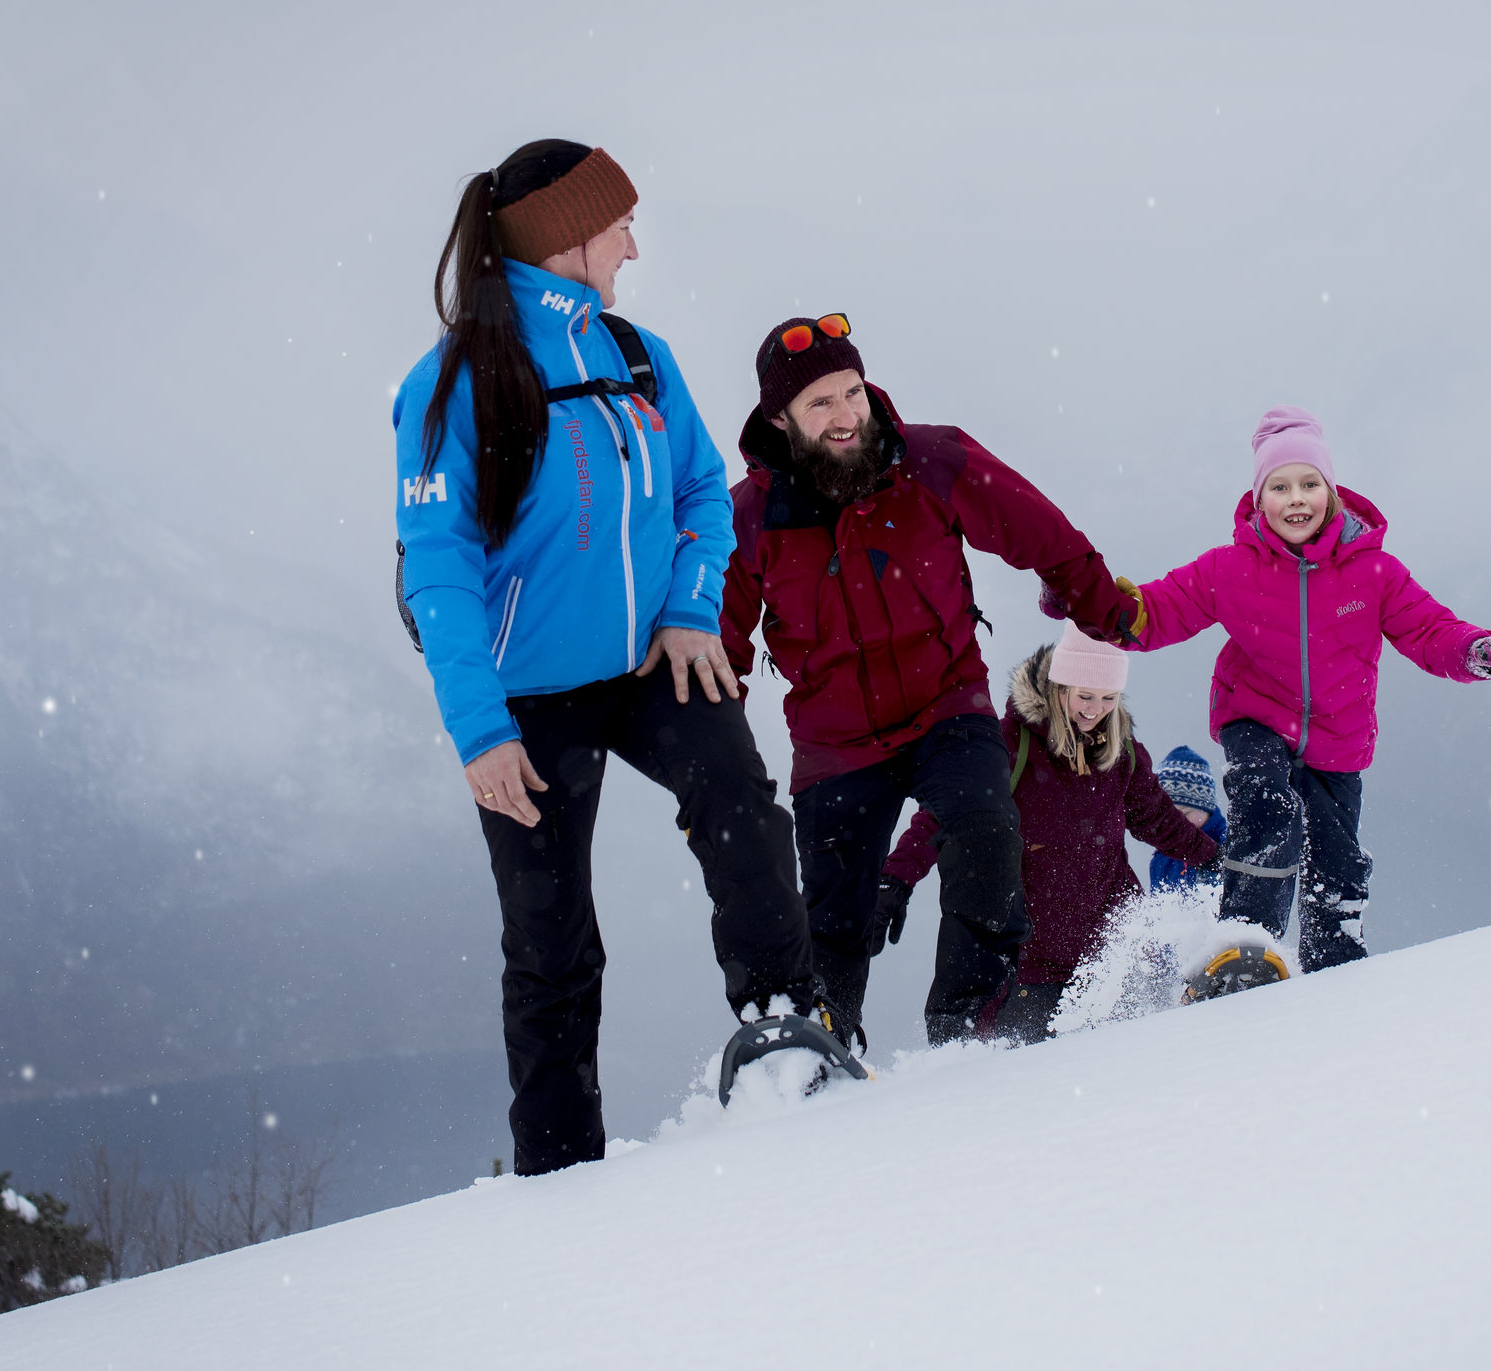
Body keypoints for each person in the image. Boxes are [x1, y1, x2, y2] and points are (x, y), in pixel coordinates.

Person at [393, 140, 825, 1176]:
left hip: (648, 667)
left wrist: (689, 611)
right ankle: (559, 1171)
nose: (633, 243)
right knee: (548, 940)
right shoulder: (453, 382)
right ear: (568, 235)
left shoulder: (636, 355)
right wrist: (480, 731)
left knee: (741, 809)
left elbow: (701, 495)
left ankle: (782, 1036)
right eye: (619, 223)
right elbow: (436, 569)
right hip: (526, 702)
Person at [719, 315, 1148, 1048]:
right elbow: (716, 644)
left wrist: (1106, 609)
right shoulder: (752, 516)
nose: (845, 414)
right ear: (779, 418)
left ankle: (969, 1023)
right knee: (834, 912)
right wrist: (713, 760)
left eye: (851, 391)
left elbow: (1043, 535)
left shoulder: (930, 460)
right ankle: (822, 1044)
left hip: (947, 701)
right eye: (819, 403)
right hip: (834, 739)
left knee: (987, 829)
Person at [1091, 406, 1491, 970]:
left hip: (1338, 738)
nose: (1296, 498)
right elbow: (1158, 610)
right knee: (1269, 809)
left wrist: (1474, 649)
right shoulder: (1231, 568)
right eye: (1280, 486)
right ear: (1259, 501)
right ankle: (1244, 941)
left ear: (1331, 492)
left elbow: (1428, 629)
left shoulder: (1375, 573)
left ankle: (1336, 964)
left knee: (1337, 859)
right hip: (1254, 715)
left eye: (1309, 484)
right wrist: (1096, 606)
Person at [868, 626, 1221, 1043]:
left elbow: (1159, 820)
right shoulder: (1009, 746)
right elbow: (944, 816)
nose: (1096, 710)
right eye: (1084, 696)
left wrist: (1215, 858)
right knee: (1033, 1085)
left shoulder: (1121, 751)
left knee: (1134, 1066)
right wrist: (897, 878)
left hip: (1112, 954)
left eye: (1108, 698)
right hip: (1031, 962)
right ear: (1058, 687)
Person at [1147, 746, 1227, 894]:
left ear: (1206, 808)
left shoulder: (1229, 848)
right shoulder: (1161, 861)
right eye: (1168, 818)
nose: (1177, 825)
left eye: (1185, 814)